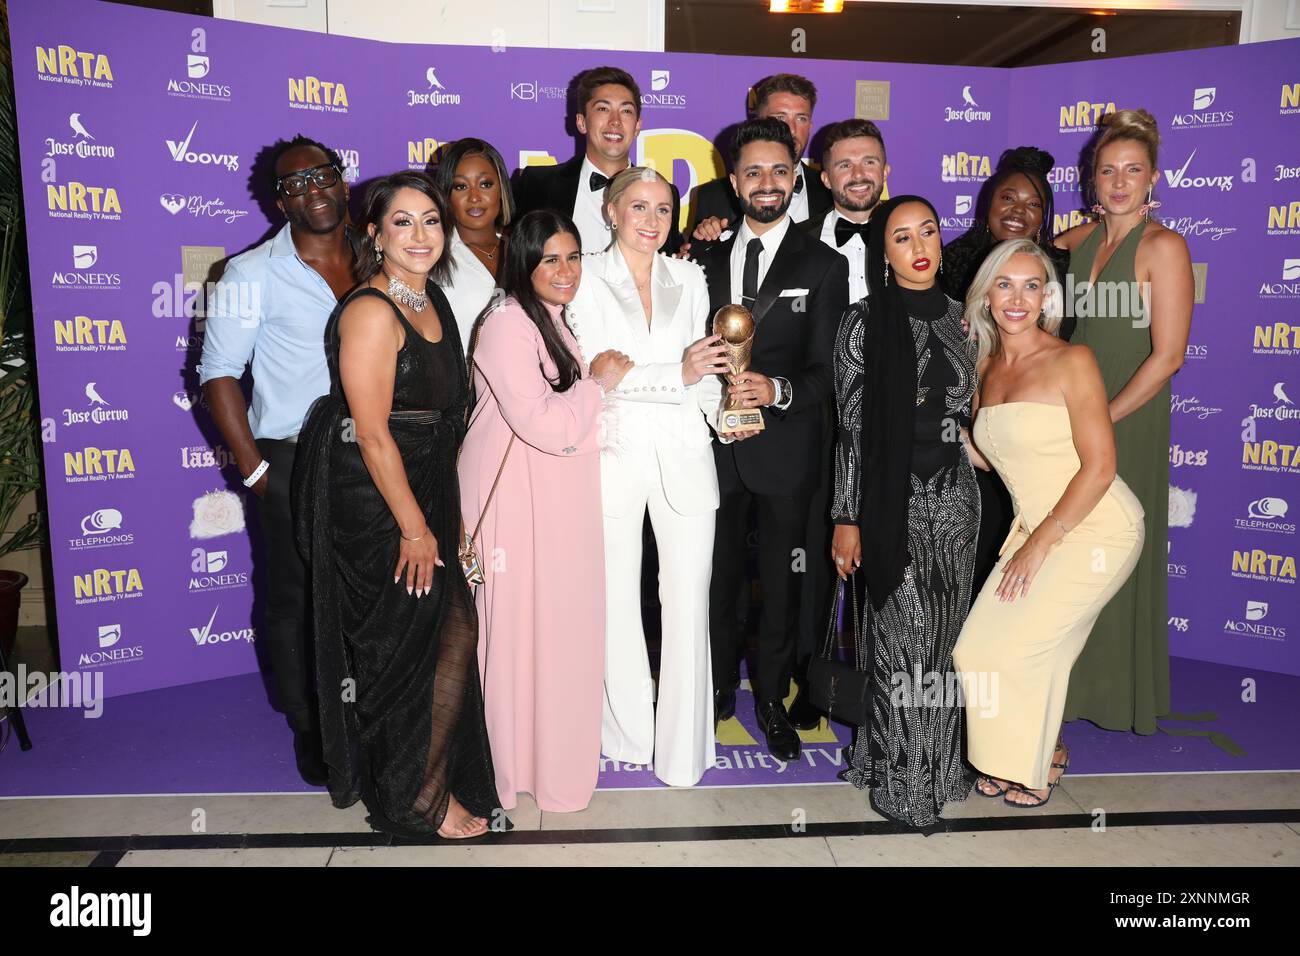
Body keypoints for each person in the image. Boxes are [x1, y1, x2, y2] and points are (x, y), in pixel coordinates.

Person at [291, 171, 501, 838]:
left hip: (426, 484)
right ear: (375, 234)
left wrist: (451, 519)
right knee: (400, 647)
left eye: (432, 221)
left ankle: (427, 786)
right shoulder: (370, 310)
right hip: (375, 498)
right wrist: (414, 529)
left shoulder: (431, 302)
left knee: (449, 632)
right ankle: (419, 800)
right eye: (403, 222)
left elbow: (443, 424)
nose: (421, 235)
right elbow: (374, 430)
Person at [954, 239, 1144, 807]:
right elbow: (994, 455)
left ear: (1047, 297)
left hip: (1094, 527)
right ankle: (1036, 753)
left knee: (1021, 650)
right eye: (1004, 285)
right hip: (1033, 528)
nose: (1017, 298)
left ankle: (1033, 764)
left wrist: (1041, 543)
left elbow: (1102, 465)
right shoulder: (984, 366)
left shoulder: (1071, 360)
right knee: (976, 651)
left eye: (1031, 285)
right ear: (986, 297)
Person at [460, 210, 632, 812]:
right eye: (550, 259)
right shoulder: (507, 324)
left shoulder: (551, 318)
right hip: (515, 504)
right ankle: (508, 774)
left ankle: (552, 768)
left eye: (574, 257)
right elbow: (544, 423)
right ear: (523, 263)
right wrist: (599, 383)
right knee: (516, 638)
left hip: (554, 496)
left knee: (555, 632)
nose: (565, 271)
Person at [198, 135, 355, 787]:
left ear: (343, 180)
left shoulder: (382, 256)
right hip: (293, 457)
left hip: (376, 455)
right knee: (294, 597)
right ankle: (309, 725)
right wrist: (256, 470)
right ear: (278, 200)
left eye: (321, 176)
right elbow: (218, 374)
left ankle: (361, 710)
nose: (312, 191)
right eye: (295, 185)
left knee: (363, 594)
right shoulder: (250, 273)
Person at [694, 118, 849, 761]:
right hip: (707, 449)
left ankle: (775, 702)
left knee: (785, 588)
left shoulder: (824, 264)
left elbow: (829, 371)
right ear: (733, 183)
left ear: (798, 179)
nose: (767, 184)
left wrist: (776, 390)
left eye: (780, 172)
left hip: (786, 452)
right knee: (716, 580)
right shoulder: (697, 258)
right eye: (753, 172)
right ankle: (718, 691)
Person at [831, 195, 978, 828]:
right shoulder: (863, 320)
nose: (919, 247)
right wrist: (846, 516)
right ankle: (902, 783)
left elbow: (981, 412)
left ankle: (940, 764)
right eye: (901, 237)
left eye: (929, 232)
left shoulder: (968, 319)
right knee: (900, 644)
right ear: (882, 252)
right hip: (892, 504)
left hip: (957, 501)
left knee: (943, 644)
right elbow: (852, 430)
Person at [580, 167, 729, 787]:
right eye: (638, 207)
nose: (651, 220)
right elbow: (593, 373)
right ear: (612, 212)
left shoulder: (689, 275)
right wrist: (679, 375)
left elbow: (708, 370)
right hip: (611, 456)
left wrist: (727, 416)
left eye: (664, 209)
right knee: (614, 601)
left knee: (688, 599)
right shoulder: (582, 275)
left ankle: (682, 750)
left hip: (687, 452)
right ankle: (629, 733)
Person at [1055, 109, 1192, 736]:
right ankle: (1069, 681)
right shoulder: (1077, 243)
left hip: (1125, 416)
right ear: (1091, 178)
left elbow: (1168, 357)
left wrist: (1101, 422)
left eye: (1131, 171)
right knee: (1070, 548)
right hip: (1074, 408)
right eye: (1107, 171)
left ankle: (1116, 691)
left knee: (1117, 545)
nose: (1118, 182)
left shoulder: (1164, 246)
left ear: (1153, 178)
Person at [786, 118, 890, 731]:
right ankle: (812, 677)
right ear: (824, 177)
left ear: (885, 170)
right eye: (845, 164)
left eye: (869, 161)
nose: (858, 174)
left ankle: (885, 683)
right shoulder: (796, 241)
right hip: (816, 424)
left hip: (888, 426)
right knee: (812, 557)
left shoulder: (910, 238)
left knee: (884, 554)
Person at [941, 146, 1070, 601]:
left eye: (1033, 204)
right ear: (987, 206)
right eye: (1008, 199)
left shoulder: (1061, 269)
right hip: (964, 436)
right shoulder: (948, 262)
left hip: (1031, 440)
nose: (1019, 211)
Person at [514, 66, 683, 254]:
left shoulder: (664, 195)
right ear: (582, 122)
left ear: (637, 127)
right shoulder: (538, 184)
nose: (615, 121)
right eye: (603, 109)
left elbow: (670, 262)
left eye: (626, 111)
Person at [692, 73, 832, 233]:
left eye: (801, 119)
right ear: (758, 121)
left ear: (810, 126)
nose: (792, 130)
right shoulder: (714, 197)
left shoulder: (831, 191)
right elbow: (696, 253)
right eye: (780, 117)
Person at [433, 137, 514, 353]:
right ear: (446, 195)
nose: (475, 197)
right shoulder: (432, 259)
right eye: (460, 186)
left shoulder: (523, 251)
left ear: (501, 189)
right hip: (462, 384)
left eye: (485, 184)